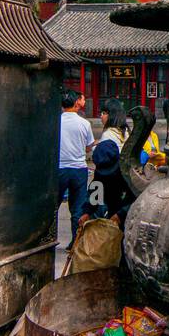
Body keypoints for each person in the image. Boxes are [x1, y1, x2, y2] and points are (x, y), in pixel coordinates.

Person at [58, 90, 96, 248]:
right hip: (79, 169)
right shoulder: (84, 123)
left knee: (52, 205)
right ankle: (76, 242)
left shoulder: (56, 121)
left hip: (59, 168)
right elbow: (89, 148)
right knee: (77, 207)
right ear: (76, 103)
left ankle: (45, 239)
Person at [90, 99, 134, 226]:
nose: (101, 116)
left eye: (103, 113)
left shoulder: (108, 134)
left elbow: (96, 188)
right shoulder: (125, 131)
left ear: (111, 114)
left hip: (112, 183)